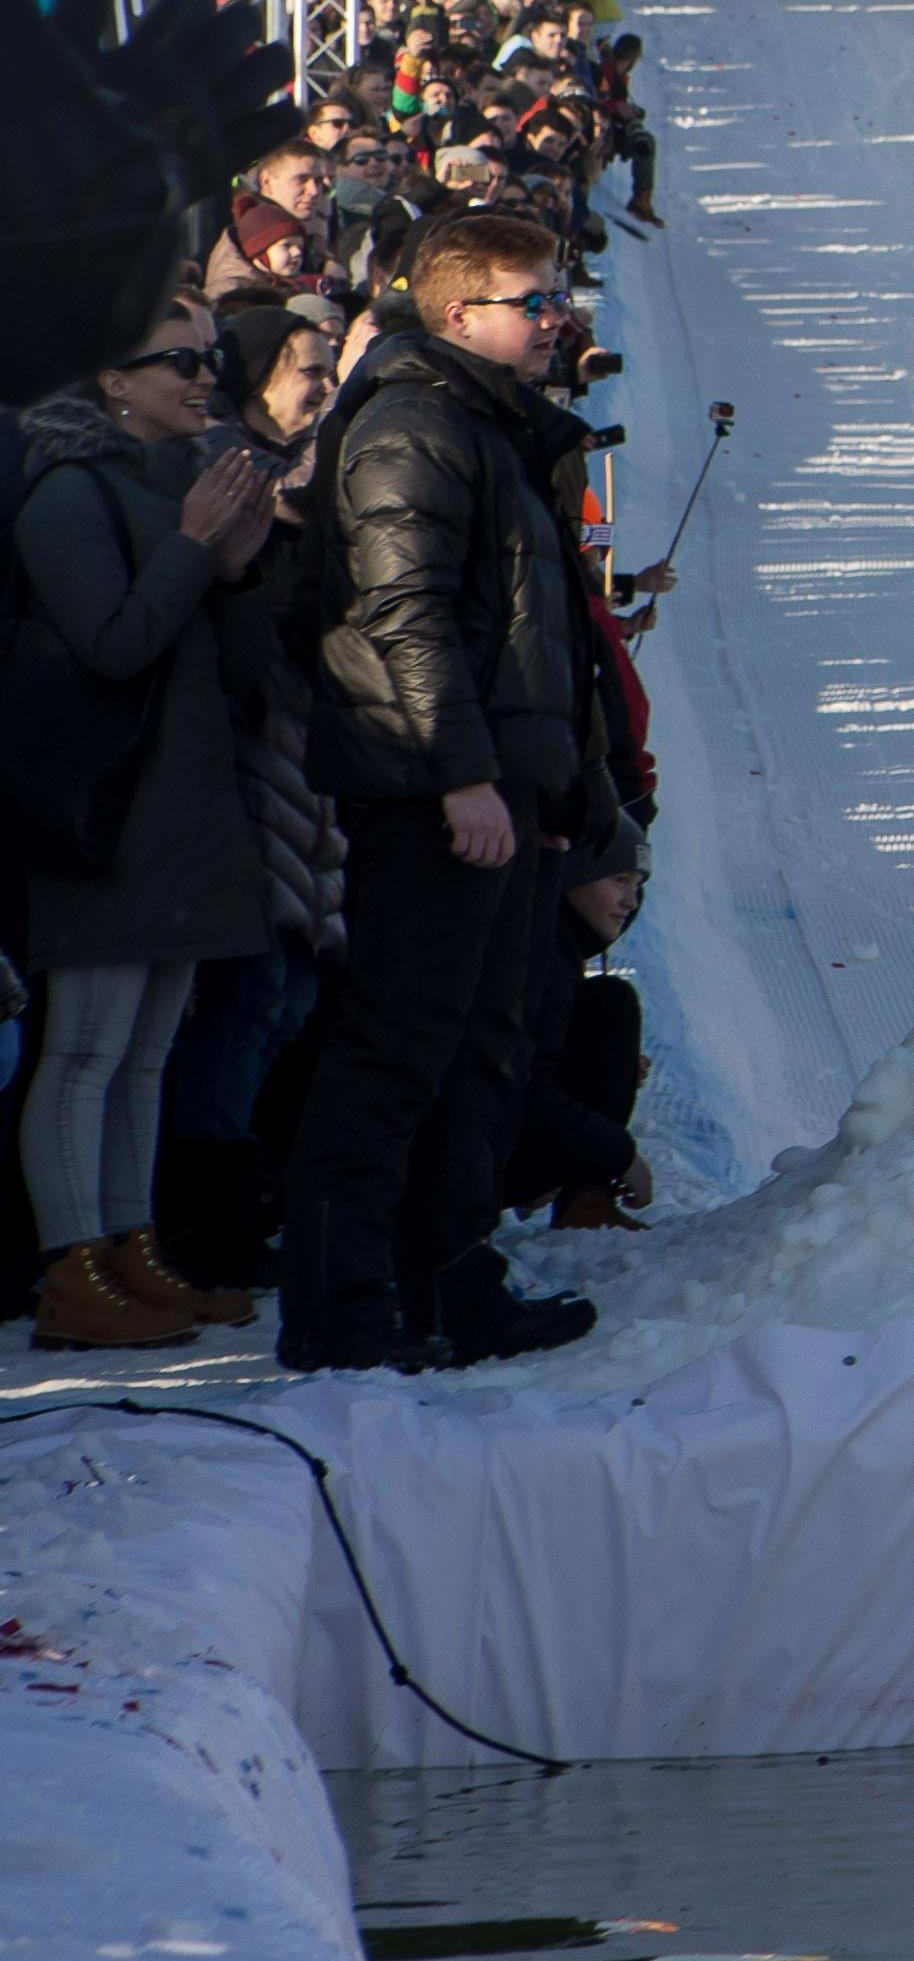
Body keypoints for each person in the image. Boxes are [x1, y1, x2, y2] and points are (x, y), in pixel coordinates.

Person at [280, 210, 608, 1371]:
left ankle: (447, 1275)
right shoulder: (414, 423)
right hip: (430, 790)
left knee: (478, 1043)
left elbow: (535, 628)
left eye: (555, 295)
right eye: (534, 299)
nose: (555, 314)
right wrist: (463, 776)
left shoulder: (487, 423)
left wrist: (559, 788)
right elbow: (403, 615)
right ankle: (338, 1302)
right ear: (461, 311)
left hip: (500, 785)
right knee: (397, 1044)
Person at [14, 296, 285, 1348]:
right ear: (110, 379)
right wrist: (196, 551)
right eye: (176, 359)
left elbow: (240, 669)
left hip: (186, 804)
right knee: (85, 1048)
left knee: (148, 1049)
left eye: (210, 357)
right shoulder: (65, 491)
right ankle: (70, 1265)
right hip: (103, 812)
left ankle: (134, 1245)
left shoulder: (194, 487)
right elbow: (114, 642)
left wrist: (241, 568)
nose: (202, 375)